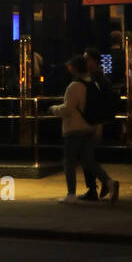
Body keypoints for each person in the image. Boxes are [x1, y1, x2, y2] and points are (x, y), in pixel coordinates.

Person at [49, 56, 95, 202]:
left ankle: (71, 193)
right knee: (88, 161)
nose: (69, 70)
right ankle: (108, 181)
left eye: (71, 67)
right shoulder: (90, 83)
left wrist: (54, 109)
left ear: (75, 68)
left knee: (69, 162)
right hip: (88, 126)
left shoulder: (74, 86)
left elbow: (68, 109)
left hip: (74, 127)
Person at [80, 48, 119, 203]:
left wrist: (99, 121)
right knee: (88, 156)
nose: (85, 62)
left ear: (94, 61)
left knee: (87, 156)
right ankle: (97, 186)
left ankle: (101, 184)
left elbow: (97, 102)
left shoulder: (96, 79)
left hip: (94, 122)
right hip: (95, 121)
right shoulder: (99, 78)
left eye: (86, 59)